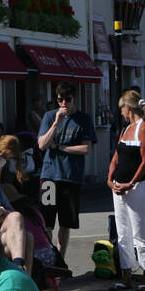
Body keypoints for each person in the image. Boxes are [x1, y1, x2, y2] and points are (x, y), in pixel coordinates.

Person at [106, 91, 145, 291]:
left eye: (122, 108)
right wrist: (110, 179)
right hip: (119, 186)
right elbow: (116, 157)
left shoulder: (143, 128)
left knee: (140, 232)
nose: (121, 112)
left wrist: (132, 182)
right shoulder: (125, 129)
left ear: (128, 107)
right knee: (122, 232)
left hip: (136, 187)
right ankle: (126, 273)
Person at [36, 82, 95, 260]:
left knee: (66, 222)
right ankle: (47, 256)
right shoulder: (49, 116)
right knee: (46, 221)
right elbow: (42, 145)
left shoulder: (83, 119)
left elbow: (86, 149)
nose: (63, 104)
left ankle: (60, 258)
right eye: (60, 100)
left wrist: (61, 147)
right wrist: (55, 124)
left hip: (71, 177)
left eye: (67, 100)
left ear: (73, 99)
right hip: (49, 176)